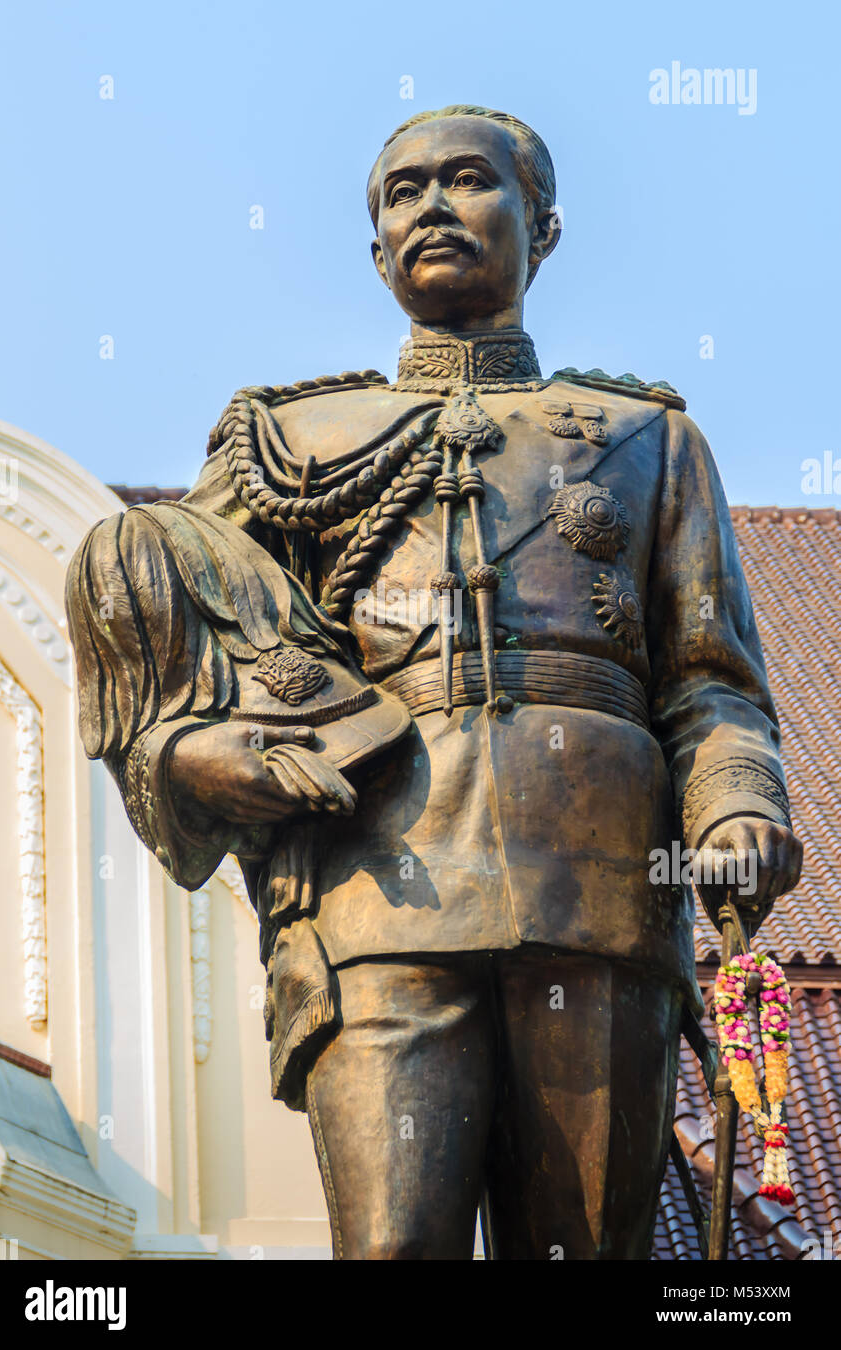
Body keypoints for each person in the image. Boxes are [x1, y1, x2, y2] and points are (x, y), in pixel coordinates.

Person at [66, 105, 802, 1259]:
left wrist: (737, 802)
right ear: (374, 251)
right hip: (376, 883)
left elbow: (711, 683)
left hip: (596, 881)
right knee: (391, 1247)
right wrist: (201, 753)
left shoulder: (648, 437)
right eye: (401, 193)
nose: (431, 207)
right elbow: (166, 631)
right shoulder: (289, 440)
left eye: (467, 180)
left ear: (541, 227)